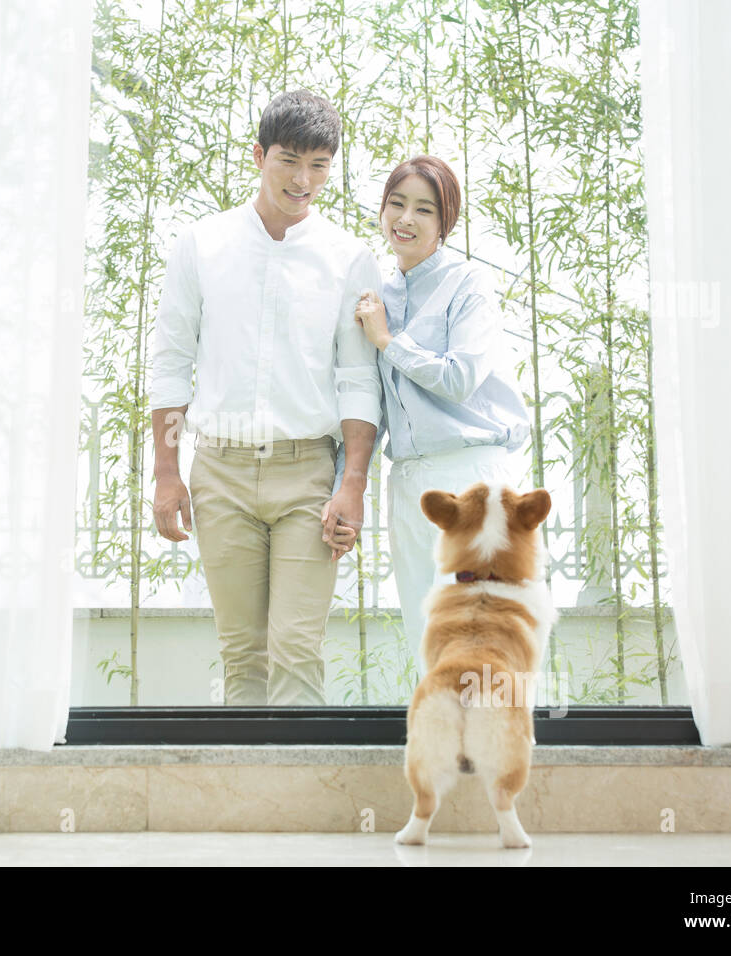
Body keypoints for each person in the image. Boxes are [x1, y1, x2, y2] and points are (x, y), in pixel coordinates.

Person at [148, 90, 383, 706]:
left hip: (308, 474)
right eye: (289, 161)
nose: (304, 180)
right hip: (219, 474)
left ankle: (300, 803)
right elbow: (171, 363)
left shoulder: (348, 257)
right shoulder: (201, 245)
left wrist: (352, 484)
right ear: (259, 155)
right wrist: (166, 474)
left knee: (297, 651)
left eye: (320, 166)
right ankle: (251, 803)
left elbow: (359, 380)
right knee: (242, 655)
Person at [344, 155, 532, 671]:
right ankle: (445, 750)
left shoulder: (468, 284)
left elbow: (459, 377)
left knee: (485, 635)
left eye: (424, 209)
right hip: (409, 482)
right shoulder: (378, 295)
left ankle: (499, 751)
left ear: (445, 222)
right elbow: (374, 404)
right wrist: (347, 485)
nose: (405, 219)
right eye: (396, 204)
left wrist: (388, 340)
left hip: (474, 477)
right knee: (428, 637)